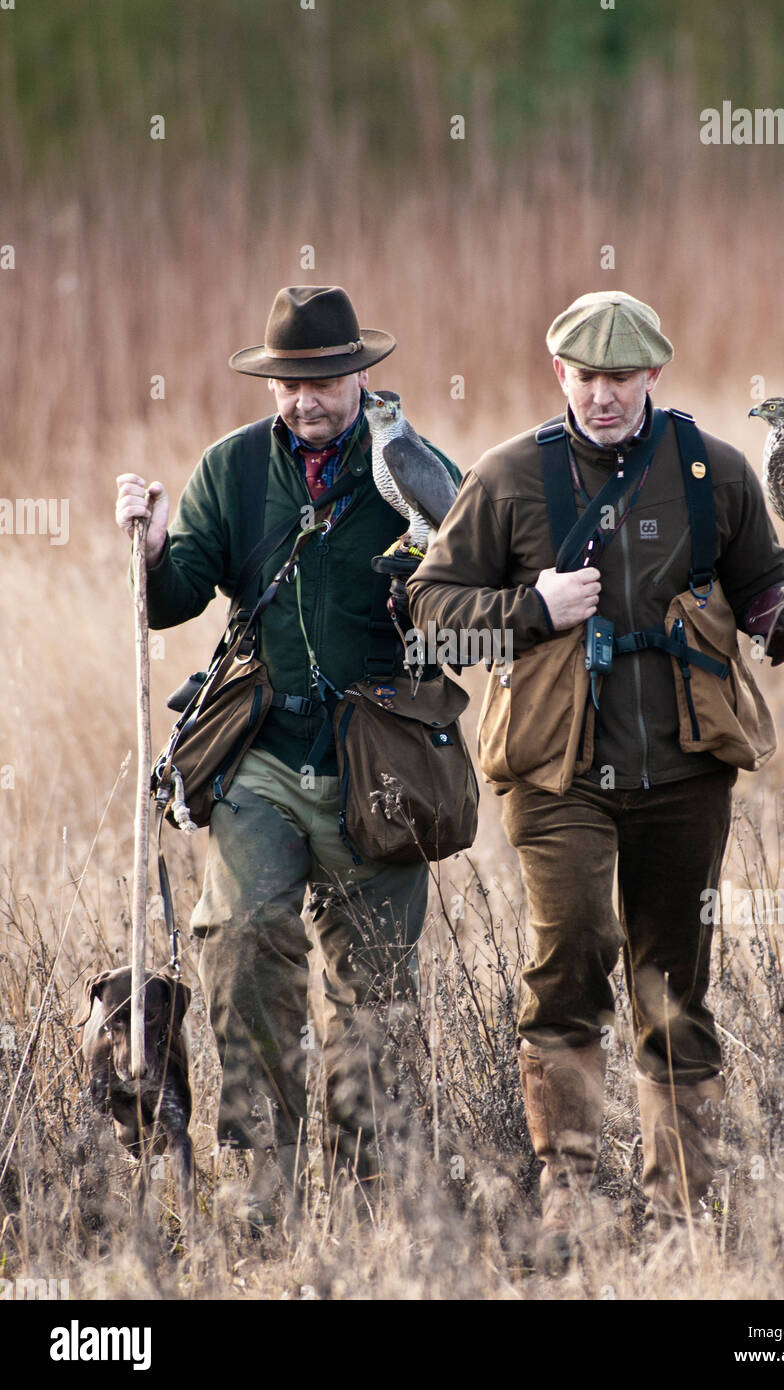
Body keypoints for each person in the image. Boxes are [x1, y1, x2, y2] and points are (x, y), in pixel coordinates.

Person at [407, 290, 784, 1248]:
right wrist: (531, 608)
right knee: (573, 956)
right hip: (555, 770)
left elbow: (759, 590)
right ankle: (570, 1195)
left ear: (653, 377)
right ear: (560, 375)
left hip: (685, 766)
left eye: (620, 378)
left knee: (673, 981)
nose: (602, 395)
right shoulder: (509, 475)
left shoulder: (713, 470)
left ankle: (681, 1208)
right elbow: (430, 609)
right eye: (585, 377)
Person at [115, 285, 459, 1227]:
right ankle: (262, 1176)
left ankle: (361, 1198)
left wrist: (427, 601)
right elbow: (176, 594)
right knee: (238, 936)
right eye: (286, 383)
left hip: (379, 759)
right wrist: (148, 553)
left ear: (360, 374)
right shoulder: (232, 469)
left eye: (322, 379)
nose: (304, 399)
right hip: (262, 747)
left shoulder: (420, 468)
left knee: (376, 989)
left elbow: (475, 601)